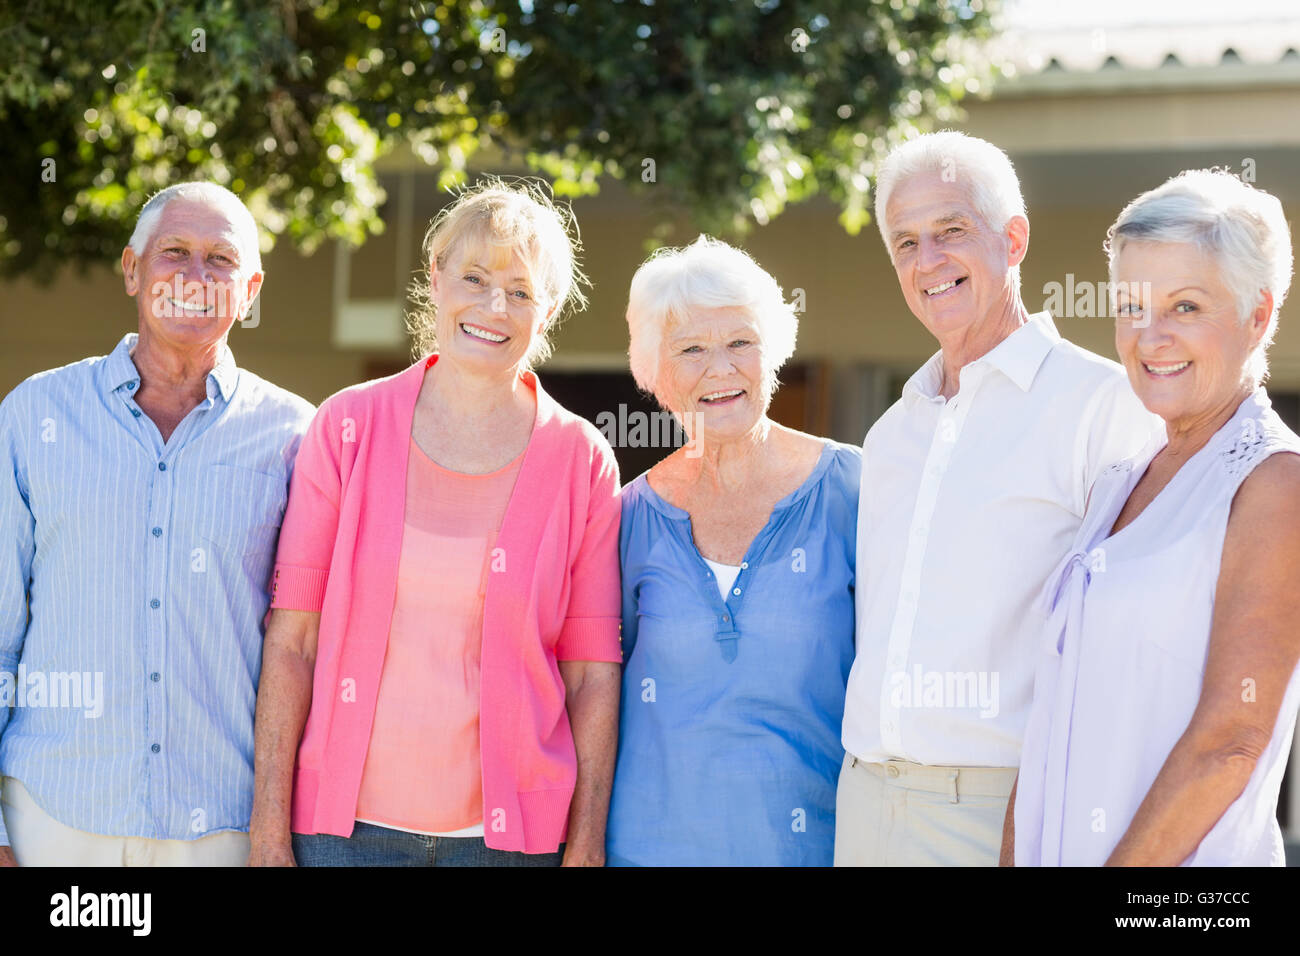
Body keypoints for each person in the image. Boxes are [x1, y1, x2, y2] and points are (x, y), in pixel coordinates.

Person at [248, 179, 622, 867]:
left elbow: (592, 675)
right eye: (474, 278)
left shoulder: (580, 460)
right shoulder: (348, 427)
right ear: (436, 278)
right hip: (342, 836)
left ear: (549, 310)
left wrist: (588, 842)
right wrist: (268, 832)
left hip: (508, 846)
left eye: (520, 290)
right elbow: (292, 641)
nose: (493, 306)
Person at [834, 131, 1163, 867]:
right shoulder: (889, 435)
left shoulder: (1103, 405)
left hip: (1002, 812)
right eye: (906, 242)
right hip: (862, 800)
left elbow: (1137, 642)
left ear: (1013, 239)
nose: (928, 262)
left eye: (951, 231)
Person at [0, 182, 314, 866]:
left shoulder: (296, 436)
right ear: (132, 269)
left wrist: (272, 830)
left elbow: (306, 648)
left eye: (220, 259)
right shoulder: (33, 417)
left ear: (251, 289)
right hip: (53, 817)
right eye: (174, 251)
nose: (195, 276)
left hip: (223, 827)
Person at [1009, 170, 1300, 866]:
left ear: (1257, 316)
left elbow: (1232, 738)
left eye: (1186, 307)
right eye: (1132, 306)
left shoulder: (1275, 483)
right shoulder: (1119, 480)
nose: (1151, 336)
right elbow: (1048, 727)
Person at [606, 235, 860, 866]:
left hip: (808, 850)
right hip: (646, 850)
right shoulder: (626, 517)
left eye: (740, 342)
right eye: (691, 349)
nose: (720, 369)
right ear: (657, 375)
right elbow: (595, 688)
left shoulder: (853, 490)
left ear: (771, 352)